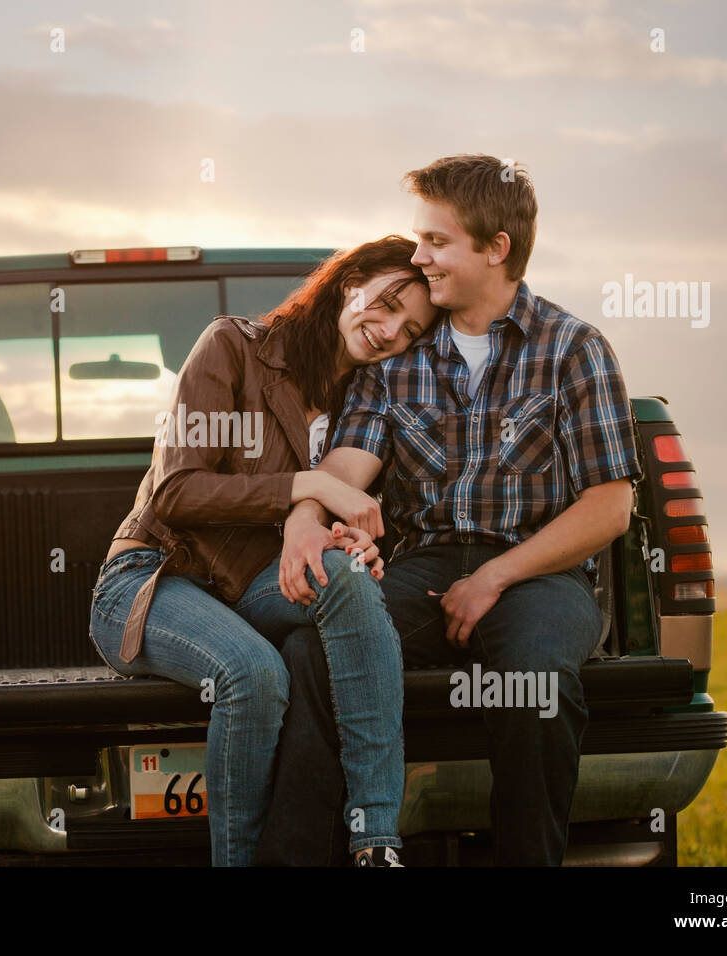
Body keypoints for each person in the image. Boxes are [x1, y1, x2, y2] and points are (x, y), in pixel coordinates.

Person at [267, 155, 643, 866]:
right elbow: (345, 470)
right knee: (313, 652)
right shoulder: (397, 359)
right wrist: (305, 517)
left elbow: (609, 507)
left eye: (436, 242)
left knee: (535, 683)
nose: (418, 257)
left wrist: (495, 578)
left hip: (541, 574)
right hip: (424, 565)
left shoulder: (573, 349)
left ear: (495, 248)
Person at [88, 236, 438, 866]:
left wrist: (349, 536)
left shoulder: (361, 401)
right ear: (347, 280)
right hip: (153, 579)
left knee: (351, 579)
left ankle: (376, 842)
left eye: (410, 329)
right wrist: (307, 484)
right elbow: (175, 491)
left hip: (250, 586)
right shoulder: (232, 347)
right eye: (385, 303)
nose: (390, 331)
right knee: (253, 674)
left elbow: (331, 522)